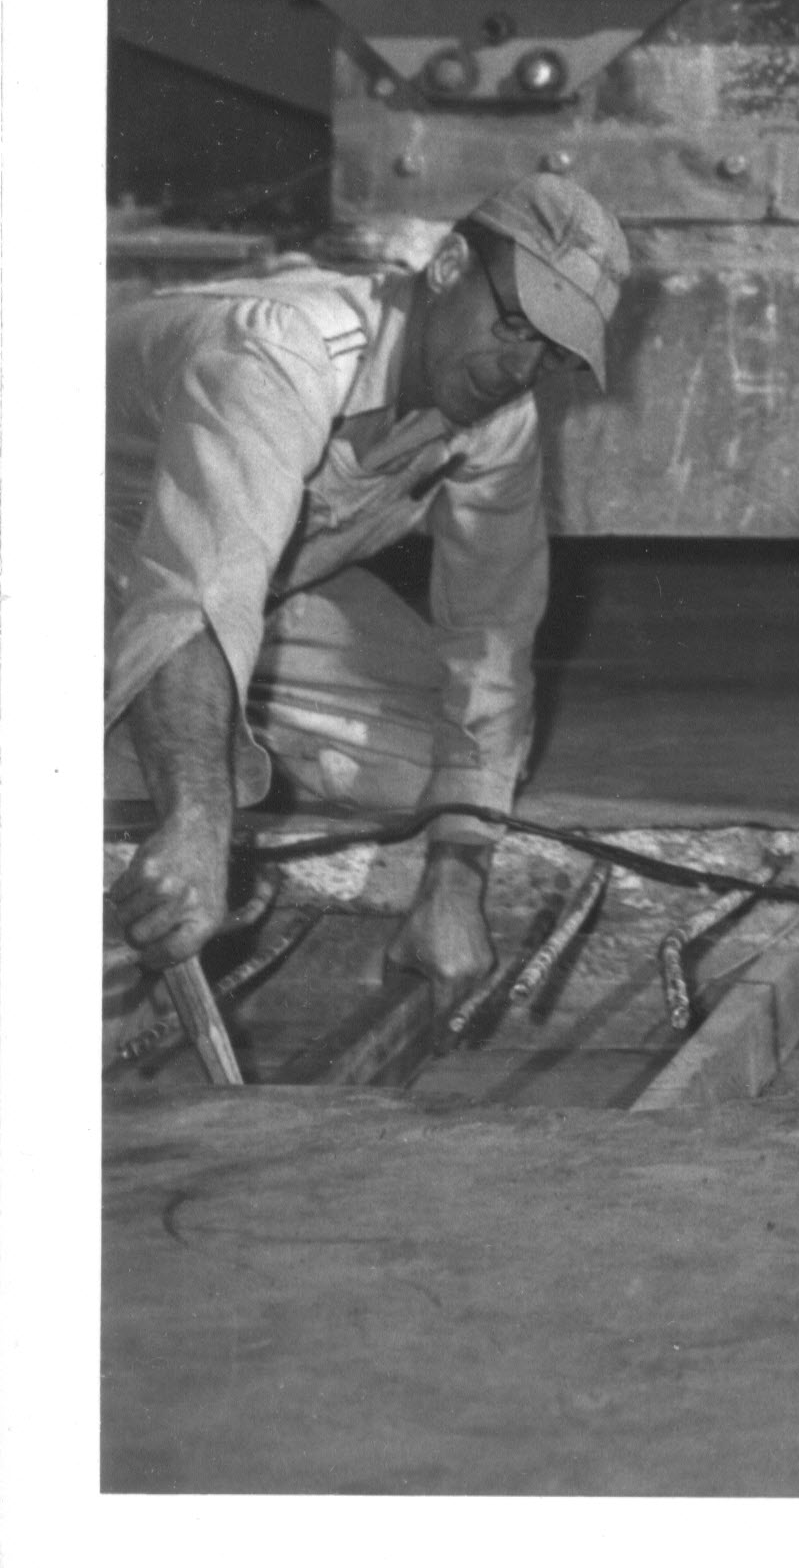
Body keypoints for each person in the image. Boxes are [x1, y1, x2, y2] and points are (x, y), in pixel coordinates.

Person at [106, 174, 630, 997]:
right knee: (181, 783)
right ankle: (152, 765)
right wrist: (200, 823)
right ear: (449, 266)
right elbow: (195, 592)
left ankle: (166, 738)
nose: (520, 368)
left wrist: (455, 881)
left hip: (237, 587)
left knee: (433, 766)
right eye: (517, 326)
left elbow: (491, 642)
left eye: (552, 355)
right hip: (57, 574)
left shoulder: (496, 416)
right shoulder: (282, 352)